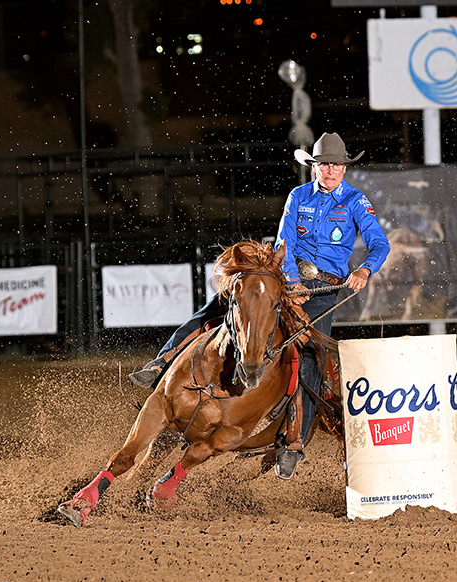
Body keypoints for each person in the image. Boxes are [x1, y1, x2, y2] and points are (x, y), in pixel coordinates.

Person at [128, 132, 390, 480]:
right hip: (287, 277)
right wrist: (291, 281)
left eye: (337, 165)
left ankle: (293, 441)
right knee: (218, 307)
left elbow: (380, 244)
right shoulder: (299, 196)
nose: (331, 170)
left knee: (311, 357)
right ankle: (162, 362)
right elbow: (285, 240)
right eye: (325, 164)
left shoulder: (355, 201)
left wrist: (364, 269)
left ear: (344, 168)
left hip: (325, 289)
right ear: (314, 167)